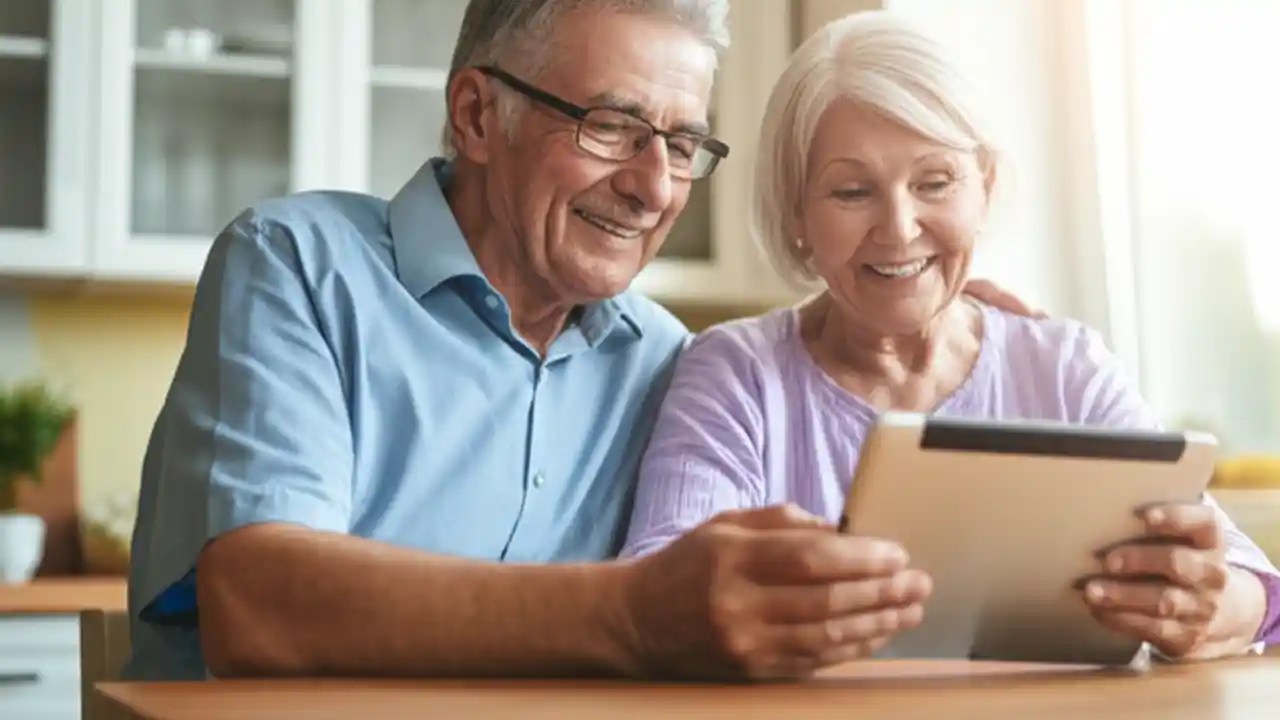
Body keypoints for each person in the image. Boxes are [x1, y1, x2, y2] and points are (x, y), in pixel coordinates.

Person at [124, 0, 1042, 682]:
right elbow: (258, 603)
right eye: (612, 126)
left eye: (681, 145)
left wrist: (921, 313)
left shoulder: (666, 359)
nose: (653, 187)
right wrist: (636, 612)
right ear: (479, 117)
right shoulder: (298, 264)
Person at [620, 10, 1280, 661]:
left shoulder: (1063, 366)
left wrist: (1204, 608)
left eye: (935, 182)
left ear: (984, 187)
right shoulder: (738, 374)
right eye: (852, 192)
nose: (900, 228)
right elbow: (660, 588)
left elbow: (1254, 590)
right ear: (796, 212)